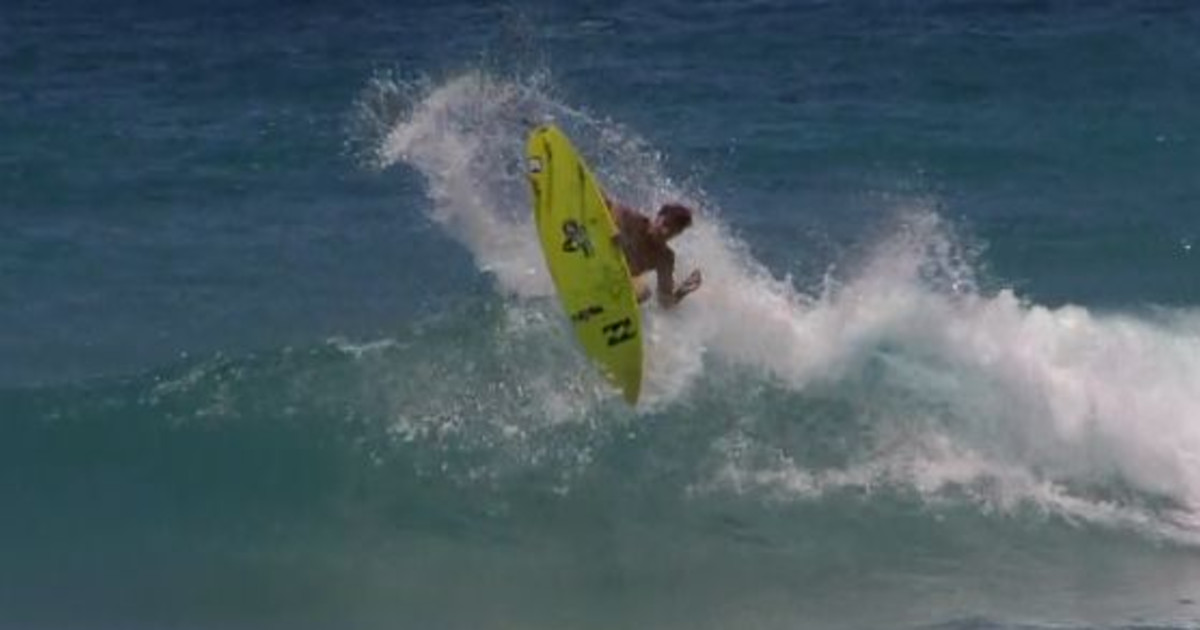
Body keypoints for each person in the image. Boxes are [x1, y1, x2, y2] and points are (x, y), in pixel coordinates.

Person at [605, 196, 703, 308]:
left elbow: (664, 301)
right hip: (600, 256)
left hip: (616, 280)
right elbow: (604, 202)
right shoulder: (634, 220)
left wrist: (682, 292)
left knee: (644, 292)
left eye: (672, 232)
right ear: (658, 217)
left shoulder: (665, 258)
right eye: (665, 224)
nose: (665, 232)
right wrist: (612, 229)